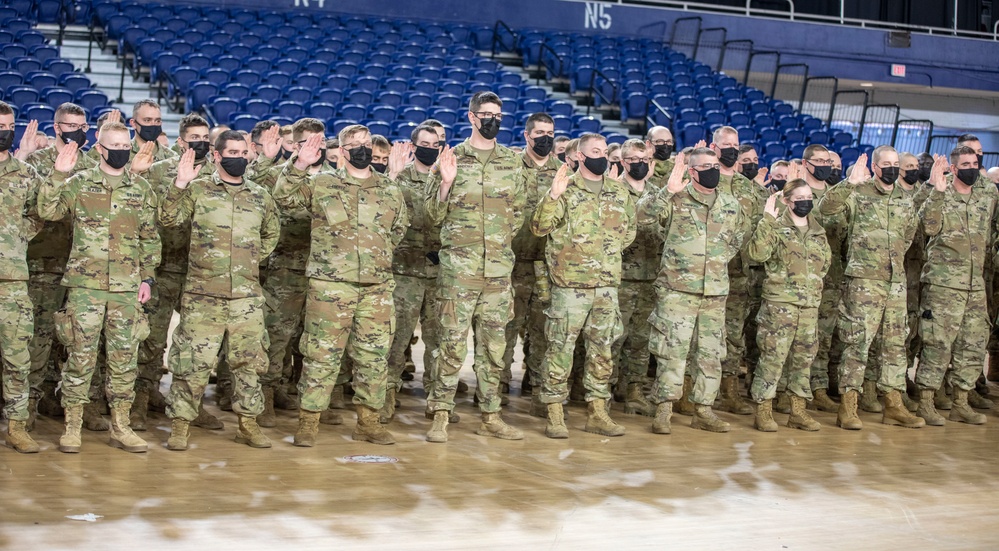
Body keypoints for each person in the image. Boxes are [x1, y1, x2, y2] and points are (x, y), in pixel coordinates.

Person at [274, 125, 407, 447]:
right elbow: (283, 199)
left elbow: (399, 227)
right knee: (320, 355)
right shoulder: (322, 184)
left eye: (366, 143)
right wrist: (300, 164)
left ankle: (368, 421)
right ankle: (308, 421)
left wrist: (377, 255)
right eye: (355, 144)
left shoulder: (389, 188)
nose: (362, 149)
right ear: (343, 151)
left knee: (373, 357)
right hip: (331, 286)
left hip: (376, 287)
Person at [39, 121, 161, 453]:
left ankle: (121, 426)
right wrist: (58, 174)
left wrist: (147, 278)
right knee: (80, 357)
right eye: (115, 146)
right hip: (86, 287)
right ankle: (72, 426)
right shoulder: (79, 184)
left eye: (126, 147)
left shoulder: (141, 189)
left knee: (124, 360)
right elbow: (46, 210)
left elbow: (150, 238)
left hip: (126, 289)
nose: (122, 152)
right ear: (100, 148)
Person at [161, 130, 280, 450]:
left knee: (250, 363)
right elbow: (168, 218)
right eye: (232, 152)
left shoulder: (259, 195)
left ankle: (248, 423)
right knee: (192, 363)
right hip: (204, 294)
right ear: (216, 155)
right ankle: (181, 424)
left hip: (246, 296)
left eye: (244, 153)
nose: (239, 158)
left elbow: (270, 235)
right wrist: (180, 183)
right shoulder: (199, 190)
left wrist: (246, 261)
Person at [423, 91, 527, 443]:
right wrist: (447, 183)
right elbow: (432, 215)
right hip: (459, 272)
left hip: (498, 273)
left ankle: (491, 415)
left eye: (498, 113)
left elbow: (519, 213)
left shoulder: (512, 162)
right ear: (471, 117)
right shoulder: (451, 159)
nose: (492, 119)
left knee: (494, 350)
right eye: (485, 113)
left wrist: (497, 244)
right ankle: (440, 413)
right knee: (450, 345)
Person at [530, 133, 635, 438]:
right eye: (594, 151)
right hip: (569, 286)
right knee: (560, 349)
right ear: (577, 156)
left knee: (602, 350)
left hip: (605, 286)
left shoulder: (619, 191)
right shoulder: (565, 189)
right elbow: (539, 228)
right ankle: (554, 411)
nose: (601, 155)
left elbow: (628, 232)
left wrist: (604, 254)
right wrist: (551, 197)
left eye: (604, 150)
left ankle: (597, 412)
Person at [638, 148, 746, 434]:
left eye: (715, 165)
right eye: (706, 166)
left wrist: (717, 261)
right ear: (692, 171)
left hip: (715, 293)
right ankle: (663, 410)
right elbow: (642, 218)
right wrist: (666, 191)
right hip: (678, 291)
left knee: (711, 354)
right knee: (672, 351)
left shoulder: (730, 204)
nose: (713, 170)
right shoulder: (676, 199)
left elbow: (736, 240)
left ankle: (704, 410)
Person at [817, 147, 924, 430]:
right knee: (857, 344)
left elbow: (909, 234)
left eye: (895, 164)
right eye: (886, 164)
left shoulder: (905, 199)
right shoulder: (857, 192)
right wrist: (848, 183)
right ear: (875, 167)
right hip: (863, 283)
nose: (891, 168)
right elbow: (824, 209)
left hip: (895, 283)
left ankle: (893, 404)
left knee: (894, 345)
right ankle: (848, 407)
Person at [130, 113, 219, 432]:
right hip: (163, 266)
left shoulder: (217, 174)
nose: (201, 142)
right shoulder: (158, 172)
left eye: (205, 137)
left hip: (200, 271)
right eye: (194, 137)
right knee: (152, 339)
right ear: (181, 141)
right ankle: (140, 400)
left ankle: (189, 406)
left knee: (197, 342)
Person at [255, 118, 337, 427]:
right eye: (311, 142)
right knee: (277, 335)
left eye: (322, 140)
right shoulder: (279, 175)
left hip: (325, 272)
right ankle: (266, 394)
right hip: (286, 268)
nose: (318, 147)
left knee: (316, 338)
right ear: (298, 145)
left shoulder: (335, 178)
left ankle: (312, 399)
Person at [24, 103, 98, 427]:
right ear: (57, 128)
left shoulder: (94, 163)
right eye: (72, 125)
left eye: (84, 125)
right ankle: (26, 405)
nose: (79, 131)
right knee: (40, 336)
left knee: (74, 339)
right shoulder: (39, 163)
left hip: (83, 267)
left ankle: (65, 401)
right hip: (44, 263)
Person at [914, 148, 996, 425]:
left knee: (973, 344)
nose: (972, 168)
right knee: (937, 344)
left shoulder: (987, 195)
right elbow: (928, 227)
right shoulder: (940, 192)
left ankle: (961, 400)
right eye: (966, 164)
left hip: (975, 285)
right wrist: (936, 190)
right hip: (943, 284)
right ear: (953, 166)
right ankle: (926, 400)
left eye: (975, 163)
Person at [747, 180, 829, 432]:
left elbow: (824, 265)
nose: (805, 201)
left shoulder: (818, 231)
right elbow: (757, 254)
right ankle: (763, 410)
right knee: (773, 358)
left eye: (809, 197)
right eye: (799, 197)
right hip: (780, 306)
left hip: (808, 306)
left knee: (804, 360)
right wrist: (767, 222)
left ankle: (798, 412)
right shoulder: (775, 227)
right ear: (786, 200)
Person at [384, 124, 445, 422]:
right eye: (425, 143)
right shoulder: (398, 176)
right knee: (397, 339)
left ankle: (436, 399)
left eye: (437, 144)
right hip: (404, 272)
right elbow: (381, 213)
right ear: (413, 145)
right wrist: (392, 176)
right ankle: (385, 396)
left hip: (437, 273)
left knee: (438, 340)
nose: (430, 148)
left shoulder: (447, 177)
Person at [506, 112, 560, 415]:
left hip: (546, 266)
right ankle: (496, 388)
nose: (545, 138)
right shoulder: (512, 166)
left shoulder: (564, 171)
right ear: (527, 136)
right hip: (513, 262)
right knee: (506, 329)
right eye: (539, 132)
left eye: (550, 132)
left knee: (543, 331)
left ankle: (540, 390)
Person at [712, 126, 766, 416]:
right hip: (706, 273)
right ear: (714, 146)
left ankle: (730, 391)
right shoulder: (704, 180)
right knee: (700, 335)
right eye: (726, 144)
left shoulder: (749, 188)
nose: (732, 149)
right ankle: (688, 390)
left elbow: (758, 230)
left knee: (733, 335)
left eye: (736, 144)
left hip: (739, 274)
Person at [0, 104, 44, 452]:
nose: (6, 131)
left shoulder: (26, 174)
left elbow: (39, 214)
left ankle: (16, 426)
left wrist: (17, 235)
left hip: (12, 280)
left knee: (17, 358)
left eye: (10, 126)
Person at [611, 139, 659, 416]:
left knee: (641, 341)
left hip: (650, 276)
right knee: (615, 338)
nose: (639, 164)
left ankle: (633, 391)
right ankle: (604, 390)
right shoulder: (614, 192)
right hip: (621, 278)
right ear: (623, 162)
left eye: (644, 159)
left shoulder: (658, 194)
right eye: (633, 160)